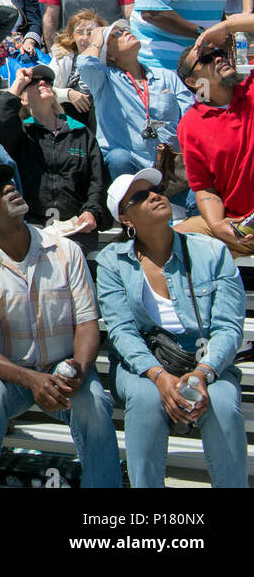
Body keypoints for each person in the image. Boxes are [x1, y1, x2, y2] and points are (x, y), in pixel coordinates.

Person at [0, 166, 121, 488]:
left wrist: (78, 371)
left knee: (94, 403)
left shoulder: (66, 250)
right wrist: (33, 381)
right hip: (5, 374)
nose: (9, 189)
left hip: (63, 370)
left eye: (8, 183)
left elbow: (87, 323)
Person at [95, 169, 248, 488]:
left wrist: (202, 373)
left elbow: (229, 327)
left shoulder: (212, 251)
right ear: (126, 218)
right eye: (140, 196)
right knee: (145, 399)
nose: (155, 195)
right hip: (144, 366)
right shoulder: (113, 262)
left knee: (220, 402)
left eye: (158, 188)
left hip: (205, 361)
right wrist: (159, 376)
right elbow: (122, 332)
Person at [0, 65, 109, 256]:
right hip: (31, 227)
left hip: (75, 227)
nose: (42, 82)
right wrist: (19, 83)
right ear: (23, 99)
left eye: (47, 81)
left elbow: (96, 179)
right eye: (33, 82)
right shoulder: (21, 133)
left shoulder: (80, 132)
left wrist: (91, 211)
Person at [175, 19, 254, 256]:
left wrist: (227, 28)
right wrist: (219, 226)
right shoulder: (190, 125)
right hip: (239, 224)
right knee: (167, 244)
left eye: (218, 52)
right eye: (207, 58)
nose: (219, 57)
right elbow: (204, 188)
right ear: (192, 82)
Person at [76, 20, 193, 179]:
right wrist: (97, 39)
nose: (125, 32)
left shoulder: (166, 76)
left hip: (172, 166)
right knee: (119, 158)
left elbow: (190, 115)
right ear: (108, 54)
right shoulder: (104, 79)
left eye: (125, 29)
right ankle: (134, 203)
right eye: (116, 34)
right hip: (132, 167)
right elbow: (85, 65)